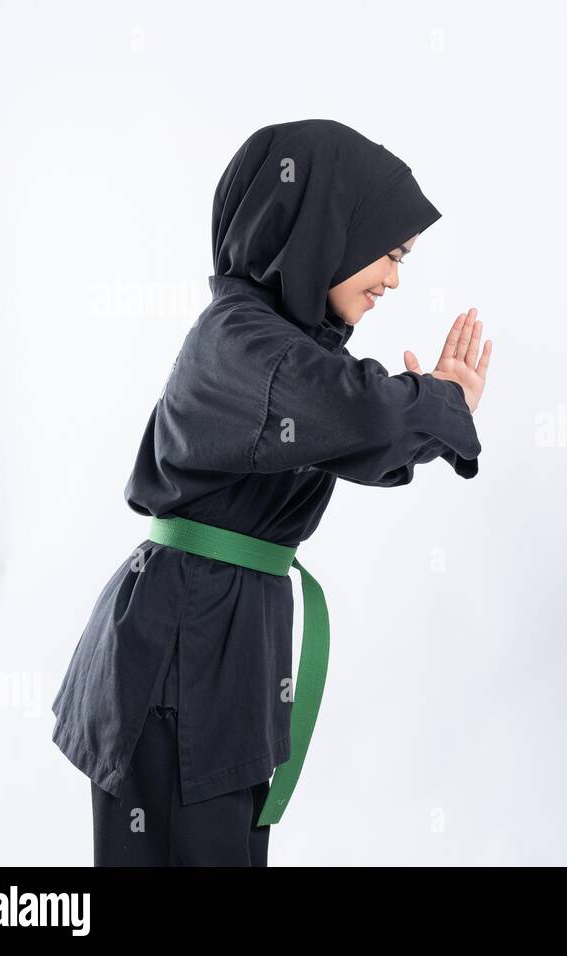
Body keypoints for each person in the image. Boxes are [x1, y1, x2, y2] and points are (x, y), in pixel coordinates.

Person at [50, 119, 493, 866]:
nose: (392, 279)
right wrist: (436, 401)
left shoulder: (277, 344)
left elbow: (360, 432)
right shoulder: (239, 340)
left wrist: (435, 407)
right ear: (325, 229)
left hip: (226, 633)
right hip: (182, 643)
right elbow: (364, 411)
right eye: (387, 254)